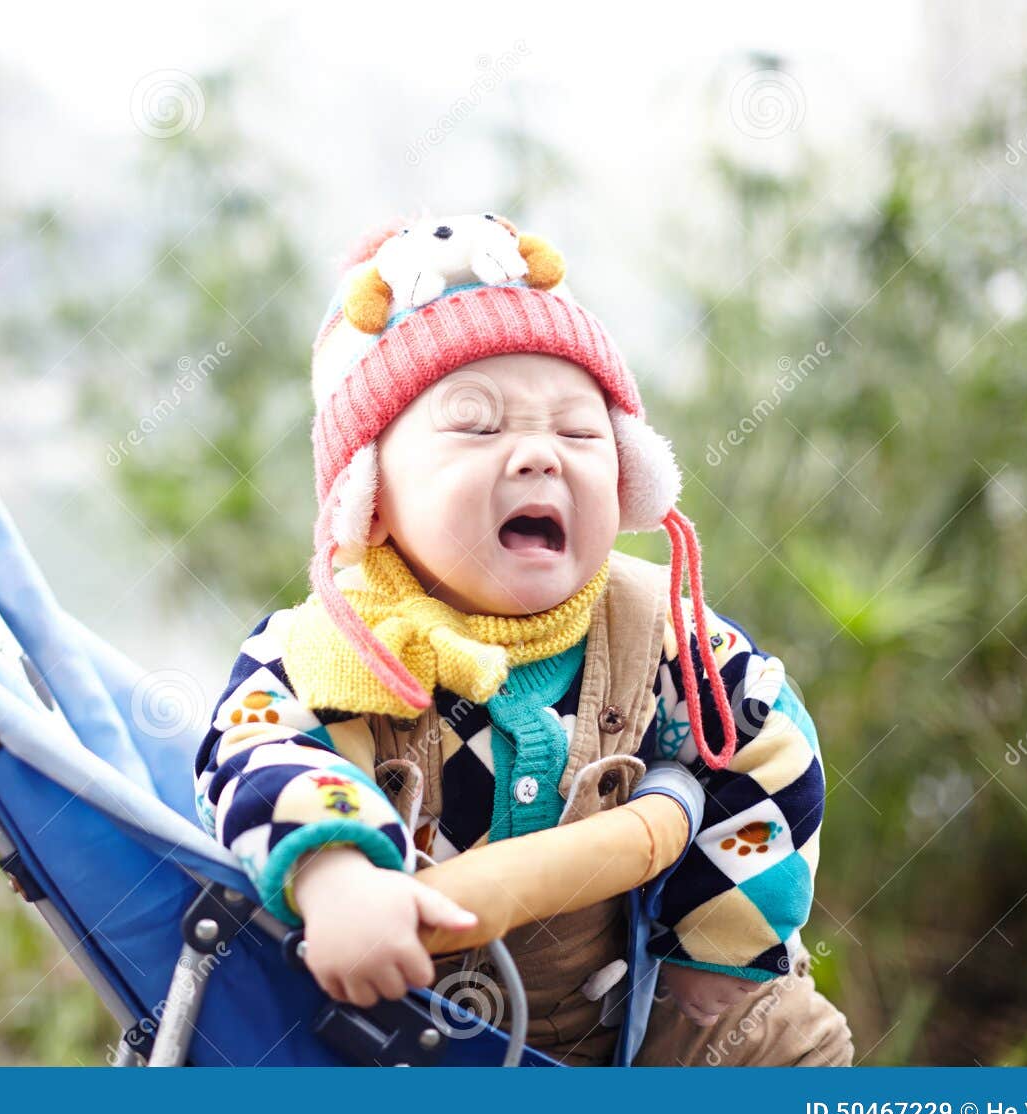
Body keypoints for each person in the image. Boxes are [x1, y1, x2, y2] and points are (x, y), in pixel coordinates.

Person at [192, 211, 852, 1065]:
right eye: (477, 425)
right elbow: (254, 749)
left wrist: (716, 942)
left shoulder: (664, 634)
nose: (541, 455)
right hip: (401, 1030)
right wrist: (336, 872)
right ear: (370, 496)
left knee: (786, 1036)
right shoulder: (333, 648)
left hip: (623, 1019)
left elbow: (768, 751)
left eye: (579, 432)